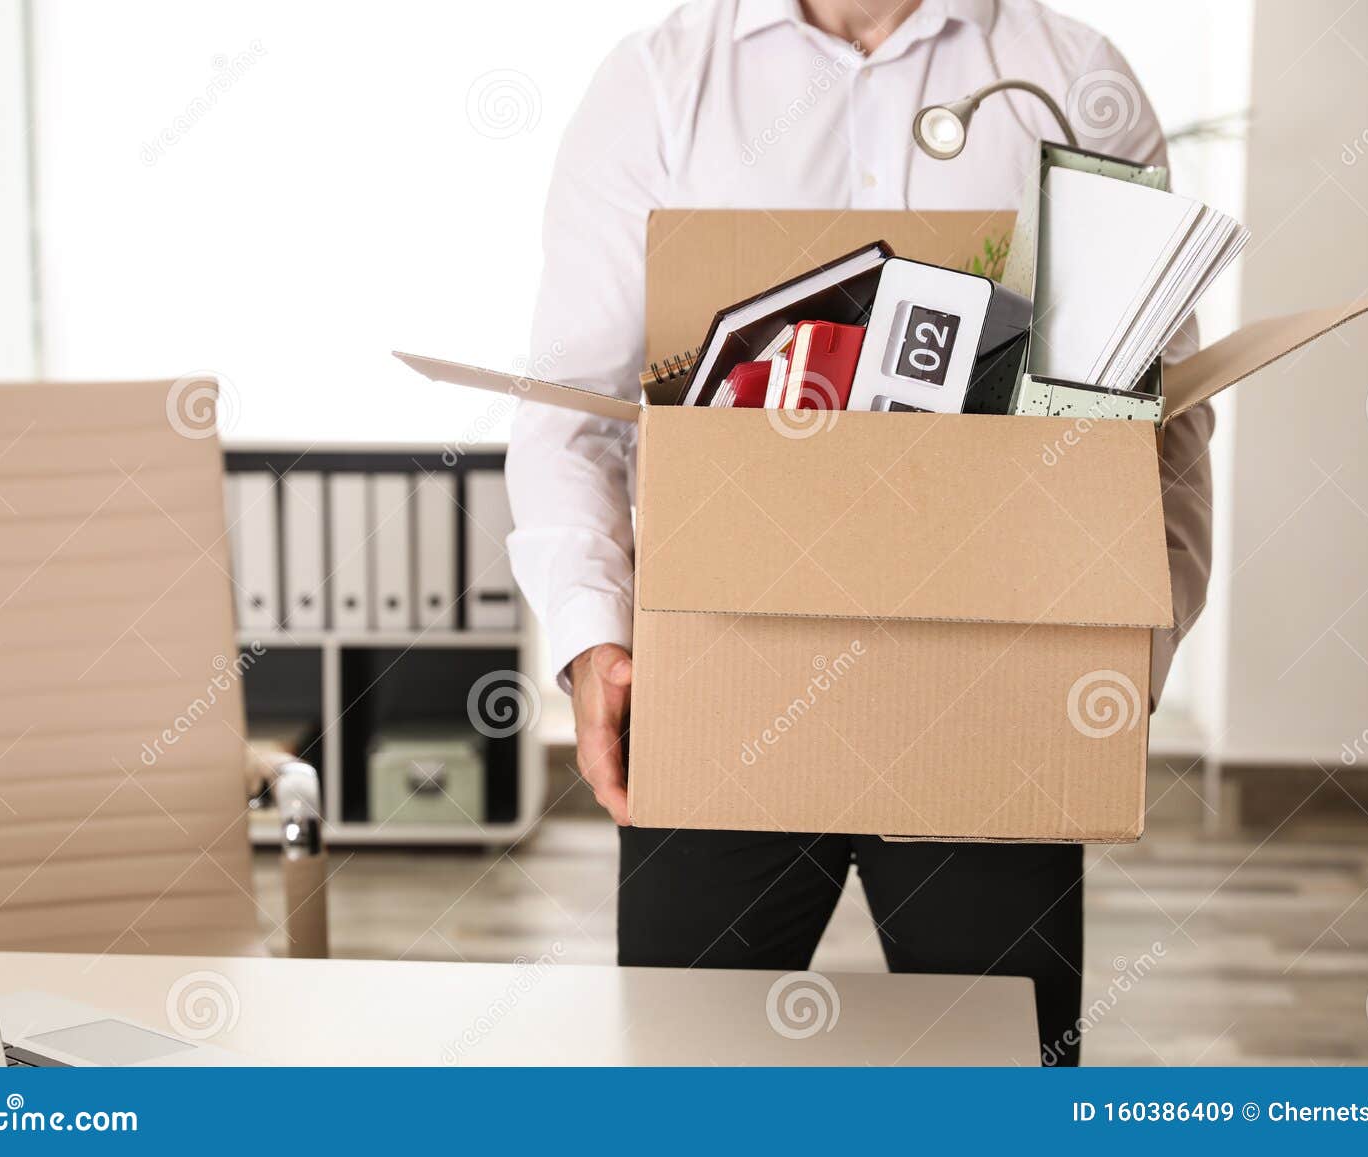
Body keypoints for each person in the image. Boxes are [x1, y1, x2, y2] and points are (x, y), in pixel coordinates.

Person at [504, 0, 1212, 1066]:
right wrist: (588, 629)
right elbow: (570, 406)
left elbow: (1160, 415)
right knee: (687, 1080)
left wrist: (1125, 654)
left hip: (997, 691)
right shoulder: (658, 83)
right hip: (717, 675)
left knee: (1003, 1075)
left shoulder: (1071, 78)